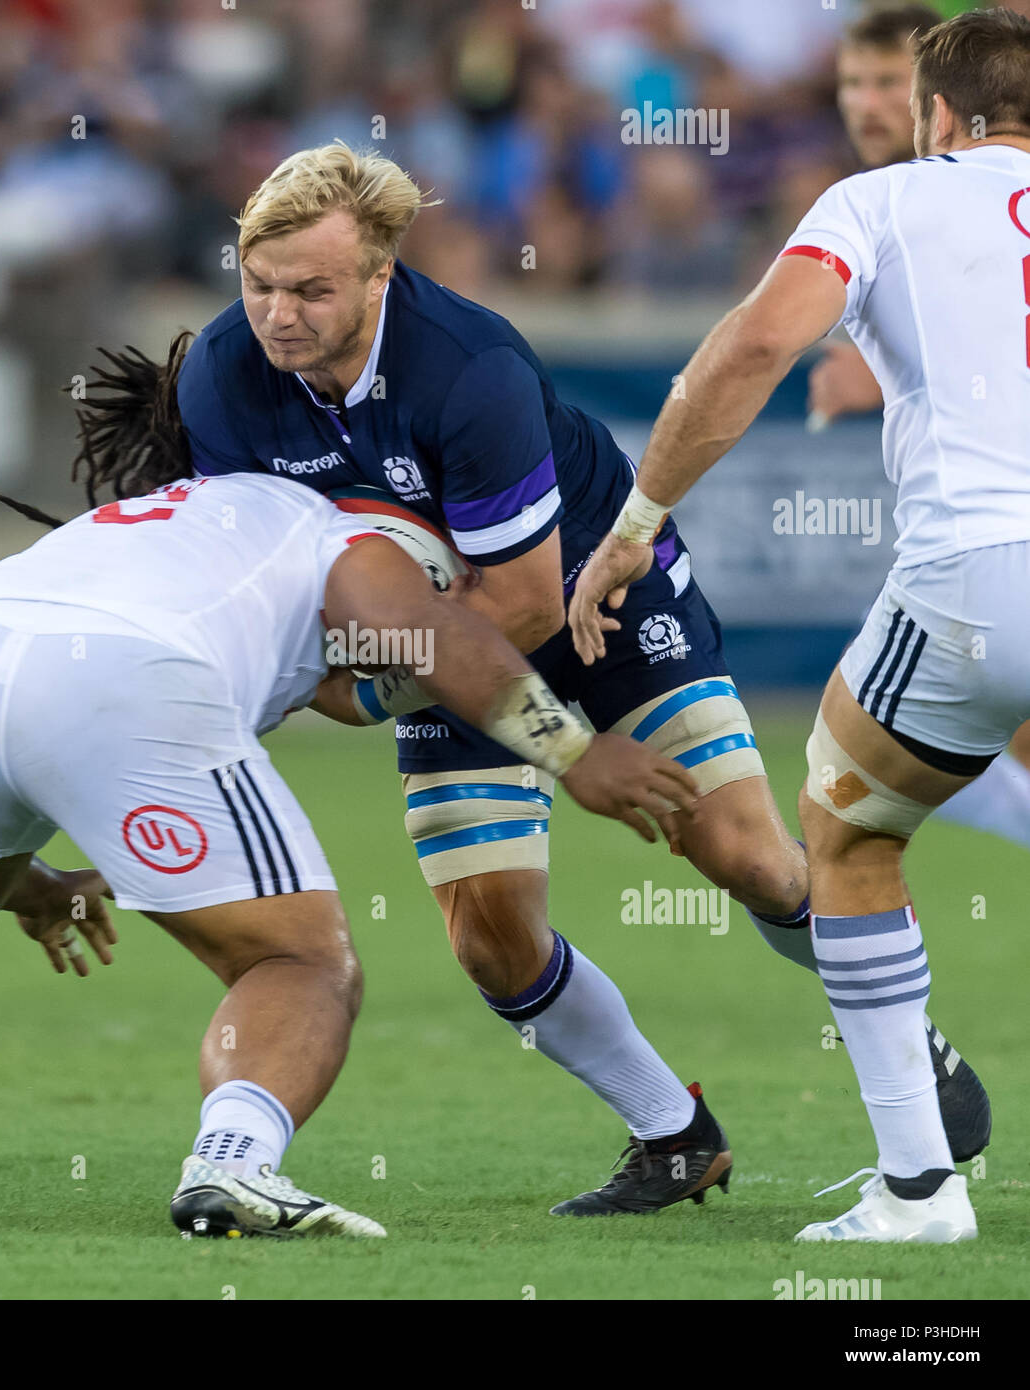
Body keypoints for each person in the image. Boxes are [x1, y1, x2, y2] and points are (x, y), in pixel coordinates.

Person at [164, 140, 984, 1216]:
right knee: (491, 938)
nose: (278, 314)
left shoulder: (467, 366)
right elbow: (255, 566)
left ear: (381, 275)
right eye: (259, 285)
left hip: (594, 595)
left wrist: (364, 693)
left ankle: (892, 1019)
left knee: (736, 848)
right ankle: (673, 1134)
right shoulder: (221, 377)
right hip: (441, 637)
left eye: (312, 290)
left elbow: (524, 607)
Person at [0, 339, 699, 1238]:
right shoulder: (337, 530)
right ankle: (233, 1168)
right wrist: (574, 753)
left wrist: (37, 888)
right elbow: (429, 634)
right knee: (298, 961)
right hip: (129, 684)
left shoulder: (145, 522)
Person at [569, 7, 1030, 1242]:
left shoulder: (879, 203)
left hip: (983, 571)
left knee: (844, 824)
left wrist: (636, 521)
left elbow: (749, 349)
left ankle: (921, 1191)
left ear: (938, 115)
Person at [809, 2, 1030, 853]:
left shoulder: (907, 194)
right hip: (954, 514)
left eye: (887, 85)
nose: (867, 104)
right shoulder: (879, 196)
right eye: (851, 84)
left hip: (976, 534)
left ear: (940, 99)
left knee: (846, 807)